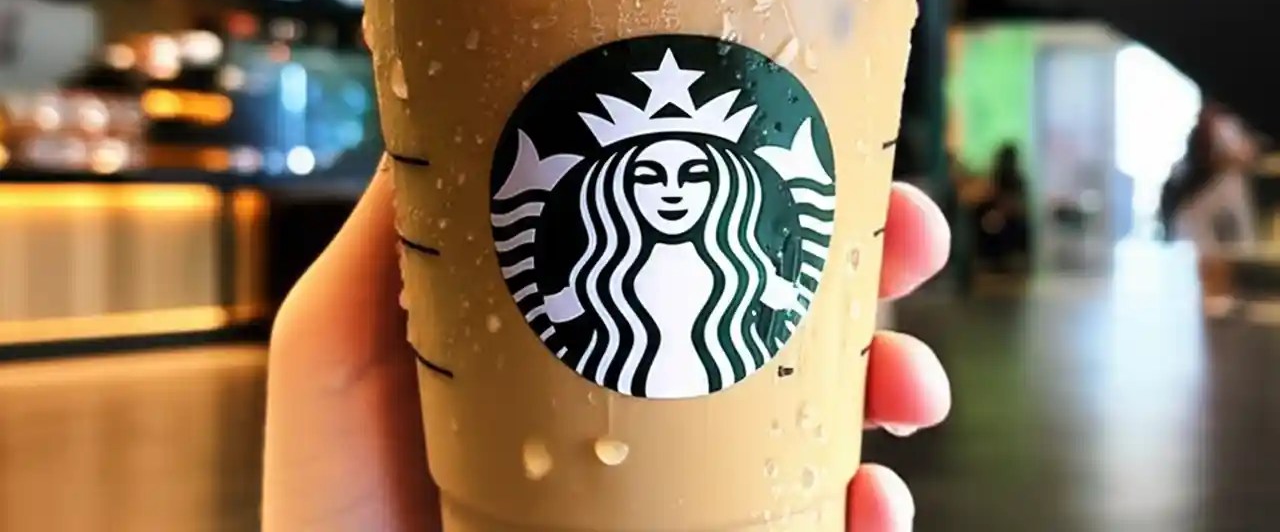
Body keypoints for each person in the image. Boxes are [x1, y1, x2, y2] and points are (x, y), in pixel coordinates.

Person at [263, 157, 954, 532]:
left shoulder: (751, 282)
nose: (673, 195)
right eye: (649, 177)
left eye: (695, 176)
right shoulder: (592, 283)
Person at [1161, 103, 1258, 307]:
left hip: (1218, 203)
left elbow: (1245, 155)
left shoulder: (1228, 127)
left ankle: (1217, 298)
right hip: (1205, 203)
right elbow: (1240, 156)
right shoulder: (1215, 130)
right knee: (1210, 254)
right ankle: (1212, 299)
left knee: (1223, 253)